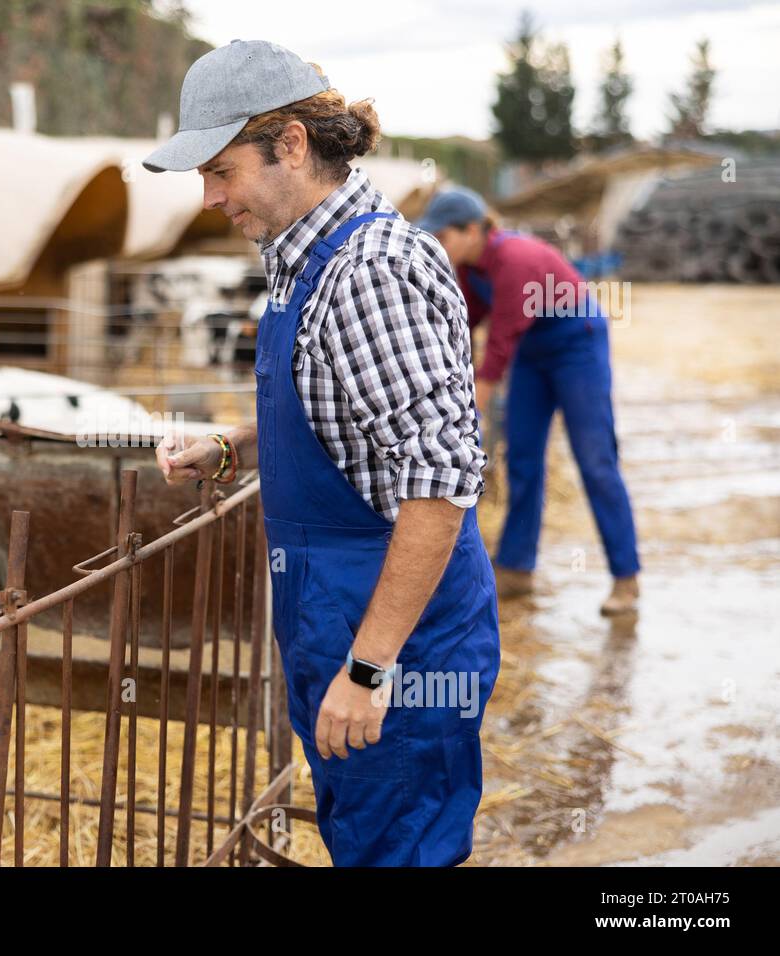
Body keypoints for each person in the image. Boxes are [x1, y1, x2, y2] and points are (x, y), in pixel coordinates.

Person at [146, 40, 499, 866]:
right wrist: (233, 443)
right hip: (333, 614)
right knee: (364, 835)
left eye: (221, 170)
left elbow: (441, 483)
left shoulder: (368, 271)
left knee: (400, 847)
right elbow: (343, 420)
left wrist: (371, 670)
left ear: (292, 146)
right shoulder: (302, 264)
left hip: (395, 638)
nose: (208, 198)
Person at [417, 187, 640, 615]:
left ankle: (625, 579)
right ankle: (517, 568)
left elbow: (498, 346)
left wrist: (468, 408)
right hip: (532, 353)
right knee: (522, 457)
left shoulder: (515, 259)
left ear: (471, 230)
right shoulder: (469, 268)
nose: (439, 246)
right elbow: (464, 326)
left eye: (443, 236)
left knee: (595, 459)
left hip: (577, 343)